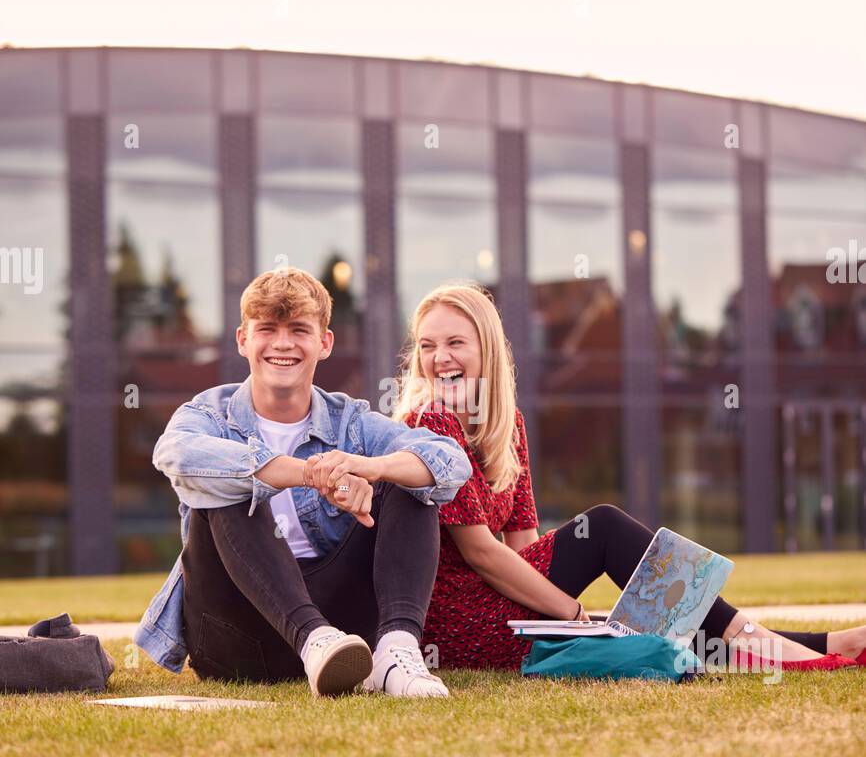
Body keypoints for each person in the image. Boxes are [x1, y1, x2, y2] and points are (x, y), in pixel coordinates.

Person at [395, 282, 866, 679]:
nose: (440, 358)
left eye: (455, 343)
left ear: (486, 349)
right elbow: (481, 552)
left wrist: (556, 618)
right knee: (602, 529)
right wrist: (572, 614)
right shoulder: (431, 421)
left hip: (501, 609)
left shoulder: (506, 425)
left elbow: (523, 546)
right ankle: (791, 652)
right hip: (456, 621)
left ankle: (823, 644)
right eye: (427, 345)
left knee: (652, 615)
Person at [134, 268, 472, 698]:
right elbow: (174, 455)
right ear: (243, 340)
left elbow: (450, 463)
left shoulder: (350, 421)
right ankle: (311, 639)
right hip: (236, 635)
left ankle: (395, 652)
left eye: (298, 330)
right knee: (226, 485)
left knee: (409, 476)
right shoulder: (209, 414)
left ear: (324, 342)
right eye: (267, 329)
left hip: (342, 635)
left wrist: (372, 468)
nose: (282, 344)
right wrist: (309, 475)